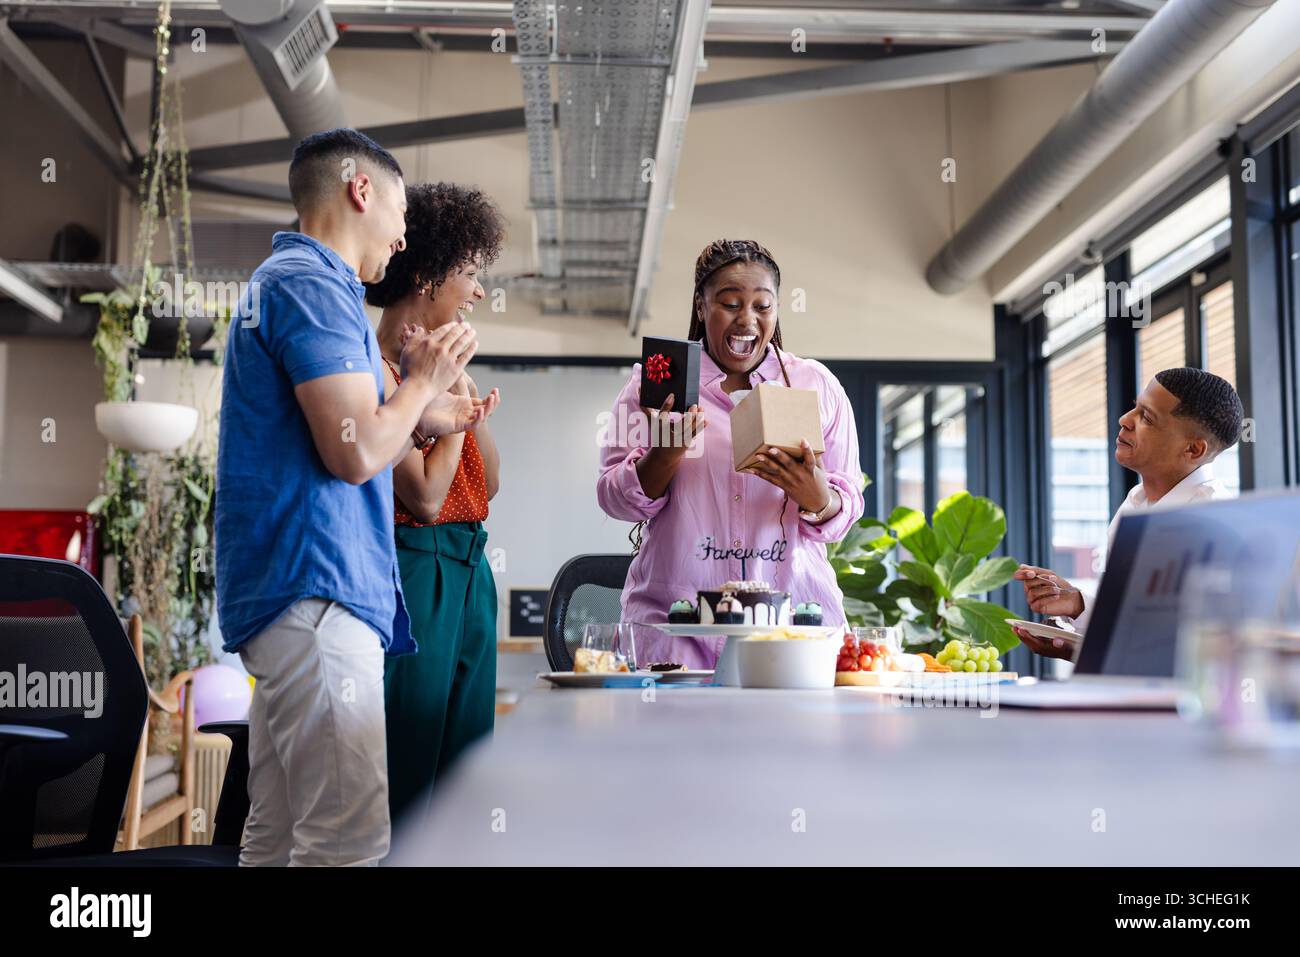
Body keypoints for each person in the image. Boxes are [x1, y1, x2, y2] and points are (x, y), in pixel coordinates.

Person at [215, 129, 497, 866]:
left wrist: (434, 404)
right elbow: (360, 449)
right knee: (348, 840)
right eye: (401, 211)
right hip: (318, 592)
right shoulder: (313, 285)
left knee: (276, 836)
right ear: (361, 191)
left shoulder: (292, 284)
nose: (404, 236)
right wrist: (423, 387)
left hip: (294, 598)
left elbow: (377, 422)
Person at [597, 239, 865, 669]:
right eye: (730, 303)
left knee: (796, 738)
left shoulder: (815, 386)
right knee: (676, 737)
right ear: (701, 308)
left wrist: (817, 497)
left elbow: (844, 507)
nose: (747, 320)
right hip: (676, 626)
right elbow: (613, 497)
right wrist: (665, 454)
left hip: (792, 626)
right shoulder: (656, 383)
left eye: (762, 306)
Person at [364, 183, 505, 824]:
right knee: (409, 758)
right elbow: (423, 497)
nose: (477, 291)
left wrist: (464, 408)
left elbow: (488, 485)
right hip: (416, 569)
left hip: (472, 567)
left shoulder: (442, 367)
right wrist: (440, 405)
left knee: (467, 763)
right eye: (470, 273)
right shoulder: (372, 373)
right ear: (425, 274)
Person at [1014, 367, 1243, 660]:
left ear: (1194, 449)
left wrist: (1086, 650)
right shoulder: (1136, 502)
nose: (1124, 420)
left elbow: (1200, 655)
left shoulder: (1213, 523)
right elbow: (1135, 620)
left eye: (1146, 417)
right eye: (1135, 408)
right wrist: (1076, 604)